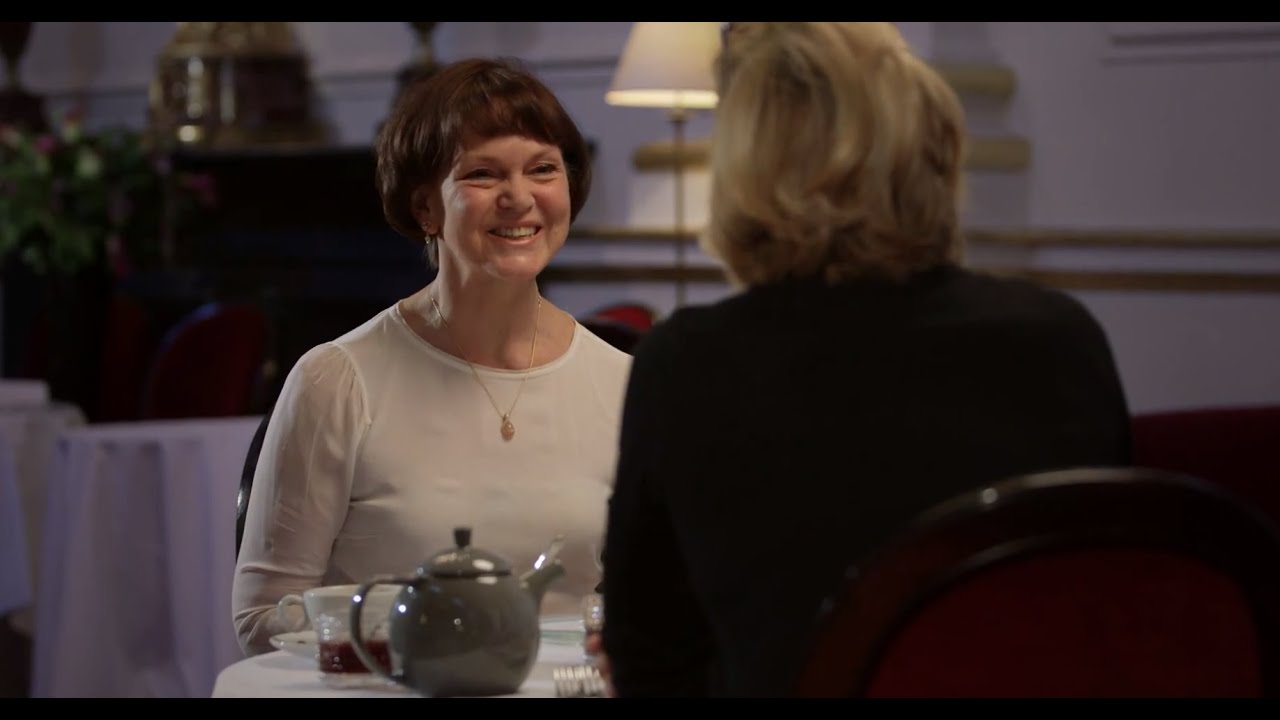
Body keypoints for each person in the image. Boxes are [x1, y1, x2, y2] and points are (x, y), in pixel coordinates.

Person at [600, 22, 1132, 697]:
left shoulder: (688, 364)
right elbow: (1113, 595)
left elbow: (648, 657)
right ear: (933, 151)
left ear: (746, 171)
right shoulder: (1060, 339)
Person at [231, 57, 632, 656]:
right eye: (483, 174)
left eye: (543, 169)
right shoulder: (335, 380)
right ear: (426, 208)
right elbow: (261, 619)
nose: (519, 197)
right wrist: (420, 643)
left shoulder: (624, 383)